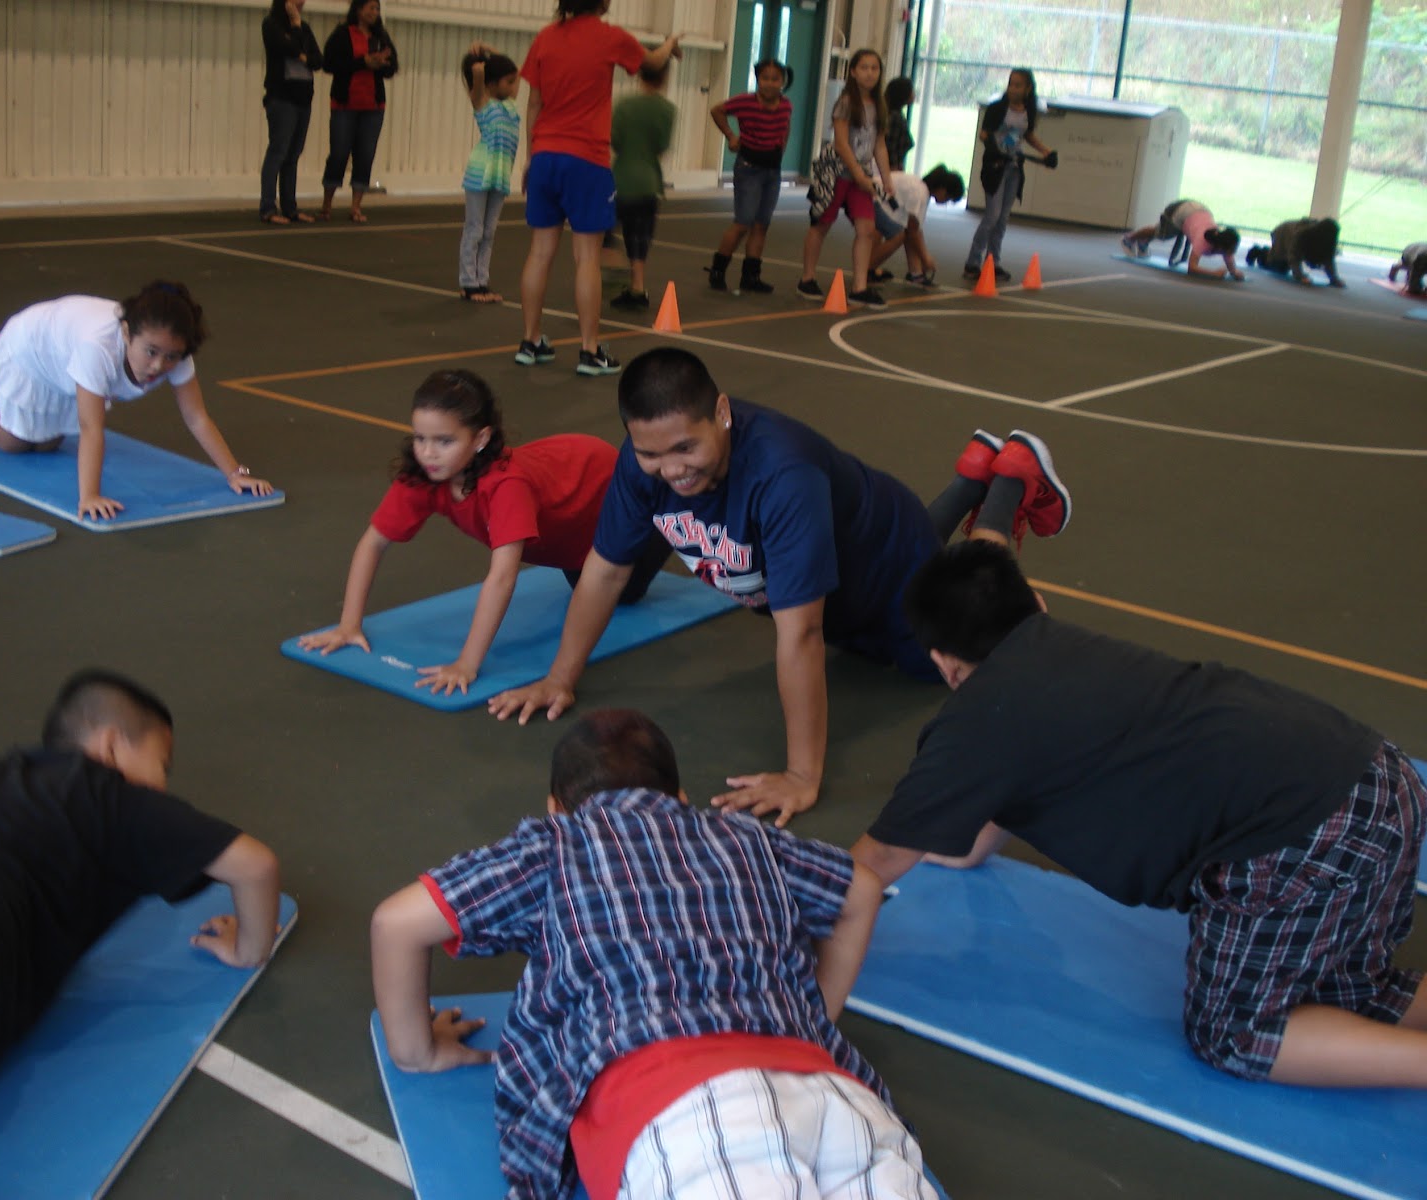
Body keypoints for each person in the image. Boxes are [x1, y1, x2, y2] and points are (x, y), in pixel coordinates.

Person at [851, 539, 1427, 1090]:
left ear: (945, 666)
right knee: (1343, 995)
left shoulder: (973, 729)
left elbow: (868, 868)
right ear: (1037, 605)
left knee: (1233, 1034)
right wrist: (941, 833)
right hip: (1383, 782)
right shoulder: (1061, 647)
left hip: (1310, 839)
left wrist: (785, 917)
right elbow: (979, 833)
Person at [488, 346, 1071, 827]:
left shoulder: (781, 477)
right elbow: (607, 568)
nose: (671, 470)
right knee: (877, 588)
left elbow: (802, 633)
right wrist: (559, 678)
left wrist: (801, 775)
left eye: (685, 448)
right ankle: (971, 476)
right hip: (853, 545)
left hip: (889, 574)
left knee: (952, 642)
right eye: (650, 454)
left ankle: (1010, 482)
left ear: (720, 412)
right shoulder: (644, 466)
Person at [371, 708, 940, 1200]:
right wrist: (817, 1019)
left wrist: (418, 1055)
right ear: (682, 798)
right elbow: (861, 890)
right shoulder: (747, 835)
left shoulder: (558, 844)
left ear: (554, 807)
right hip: (834, 1094)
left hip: (687, 1115)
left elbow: (396, 923)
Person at [0, 669, 282, 1199]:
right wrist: (250, 947)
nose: (164, 784)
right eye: (162, 764)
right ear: (111, 747)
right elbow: (255, 865)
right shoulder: (117, 799)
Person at [298, 369, 669, 695]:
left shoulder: (505, 486)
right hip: (568, 513)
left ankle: (669, 513)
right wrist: (349, 625)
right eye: (420, 438)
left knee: (625, 593)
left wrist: (467, 663)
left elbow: (503, 576)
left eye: (444, 441)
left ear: (480, 439)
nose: (428, 453)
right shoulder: (422, 476)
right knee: (583, 583)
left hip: (599, 482)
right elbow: (373, 543)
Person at [0, 281, 275, 522]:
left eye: (171, 356)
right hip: (33, 348)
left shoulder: (175, 355)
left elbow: (197, 417)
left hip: (61, 357)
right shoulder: (97, 348)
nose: (159, 365)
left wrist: (235, 474)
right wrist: (90, 495)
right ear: (127, 332)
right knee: (10, 442)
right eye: (150, 352)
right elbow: (91, 427)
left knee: (48, 444)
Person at [514, 0, 680, 377]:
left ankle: (530, 340)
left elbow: (534, 103)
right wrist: (671, 43)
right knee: (586, 257)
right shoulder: (609, 38)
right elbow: (653, 64)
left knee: (540, 252)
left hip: (545, 157)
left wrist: (531, 157)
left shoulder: (545, 39)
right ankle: (590, 351)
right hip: (585, 159)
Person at [797, 48, 896, 308]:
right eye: (864, 67)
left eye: (875, 68)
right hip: (837, 172)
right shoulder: (845, 103)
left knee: (867, 229)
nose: (870, 73)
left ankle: (860, 286)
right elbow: (841, 144)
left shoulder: (880, 106)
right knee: (822, 224)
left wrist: (886, 179)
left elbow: (880, 145)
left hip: (861, 175)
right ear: (853, 72)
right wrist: (859, 176)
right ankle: (807, 278)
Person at [706, 59, 794, 294]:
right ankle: (718, 269)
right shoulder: (745, 102)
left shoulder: (786, 106)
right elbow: (717, 110)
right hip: (749, 168)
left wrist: (780, 147)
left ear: (782, 82)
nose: (769, 83)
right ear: (757, 80)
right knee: (743, 222)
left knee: (761, 224)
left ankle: (751, 275)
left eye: (775, 79)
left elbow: (786, 126)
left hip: (772, 171)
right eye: (764, 78)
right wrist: (731, 136)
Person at [962, 68, 1057, 283]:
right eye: (1010, 83)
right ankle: (972, 262)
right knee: (992, 216)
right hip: (994, 168)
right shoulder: (997, 109)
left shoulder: (1029, 111)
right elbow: (984, 134)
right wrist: (993, 148)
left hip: (1014, 168)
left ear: (1028, 89)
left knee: (1003, 218)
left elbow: (1028, 135)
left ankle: (992, 263)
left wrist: (1046, 152)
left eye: (1017, 85)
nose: (1012, 88)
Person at [319, 0, 397, 224]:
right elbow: (330, 64)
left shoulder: (380, 36)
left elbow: (393, 67)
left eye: (377, 9)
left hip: (373, 106)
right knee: (339, 154)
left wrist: (381, 64)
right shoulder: (342, 34)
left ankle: (356, 206)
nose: (375, 12)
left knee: (365, 156)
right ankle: (326, 205)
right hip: (345, 104)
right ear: (359, 9)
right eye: (371, 8)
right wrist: (363, 62)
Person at [607, 60, 676, 311]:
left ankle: (608, 268)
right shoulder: (667, 109)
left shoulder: (624, 105)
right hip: (649, 181)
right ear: (664, 77)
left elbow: (614, 140)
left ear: (639, 75)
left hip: (621, 179)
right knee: (640, 236)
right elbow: (661, 145)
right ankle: (637, 287)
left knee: (603, 229)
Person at [456, 43, 521, 302]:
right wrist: (480, 64)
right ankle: (468, 283)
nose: (515, 85)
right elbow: (478, 77)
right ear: (492, 84)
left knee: (489, 232)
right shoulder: (483, 103)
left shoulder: (512, 107)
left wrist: (491, 51)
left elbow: (515, 68)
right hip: (480, 174)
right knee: (474, 229)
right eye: (509, 81)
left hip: (499, 176)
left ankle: (482, 280)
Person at [259, 0, 324, 225]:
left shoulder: (305, 29)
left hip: (303, 100)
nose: (301, 2)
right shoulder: (271, 25)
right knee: (277, 151)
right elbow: (290, 48)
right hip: (281, 99)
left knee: (293, 156)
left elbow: (317, 60)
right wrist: (295, 27)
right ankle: (268, 208)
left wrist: (303, 54)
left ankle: (290, 208)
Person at [868, 165, 965, 287]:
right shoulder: (920, 194)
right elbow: (913, 230)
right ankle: (867, 269)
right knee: (898, 235)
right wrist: (926, 258)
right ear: (942, 189)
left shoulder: (920, 188)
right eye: (949, 198)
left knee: (906, 231)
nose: (947, 203)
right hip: (871, 198)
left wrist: (924, 256)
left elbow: (914, 228)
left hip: (876, 198)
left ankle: (915, 273)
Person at [1121, 199, 1243, 280]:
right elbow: (1192, 268)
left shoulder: (1223, 245)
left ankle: (1144, 241)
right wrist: (1214, 274)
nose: (1233, 251)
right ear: (1222, 246)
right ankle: (1129, 239)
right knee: (1162, 233)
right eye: (1233, 249)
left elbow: (1231, 264)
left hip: (1196, 211)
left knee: (1163, 233)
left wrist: (1235, 272)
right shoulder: (1203, 242)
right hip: (1179, 210)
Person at [1245, 216, 1344, 287]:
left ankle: (1270, 253)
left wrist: (1334, 279)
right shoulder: (1302, 235)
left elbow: (1328, 260)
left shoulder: (1328, 242)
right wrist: (1299, 276)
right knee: (1277, 266)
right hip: (1283, 233)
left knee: (1284, 266)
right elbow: (1294, 255)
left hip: (1292, 237)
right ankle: (1258, 251)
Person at [883, 75, 915, 172]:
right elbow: (891, 149)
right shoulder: (896, 118)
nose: (914, 94)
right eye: (912, 90)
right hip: (891, 169)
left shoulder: (893, 114)